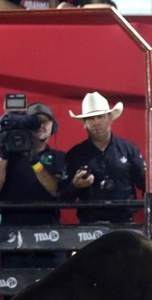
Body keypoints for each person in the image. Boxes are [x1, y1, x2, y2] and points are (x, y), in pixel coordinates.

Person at [0, 102, 66, 269]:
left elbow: (56, 190)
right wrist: (4, 155)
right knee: (15, 293)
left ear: (54, 127)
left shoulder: (59, 157)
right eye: (36, 121)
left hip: (49, 238)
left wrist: (34, 161)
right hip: (13, 239)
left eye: (46, 121)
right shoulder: (8, 159)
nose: (41, 125)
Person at [59, 92, 146, 224]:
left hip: (124, 223)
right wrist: (75, 186)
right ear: (84, 122)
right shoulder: (74, 155)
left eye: (100, 117)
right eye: (90, 118)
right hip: (88, 226)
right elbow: (63, 197)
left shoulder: (129, 150)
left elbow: (146, 184)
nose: (96, 122)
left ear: (110, 118)